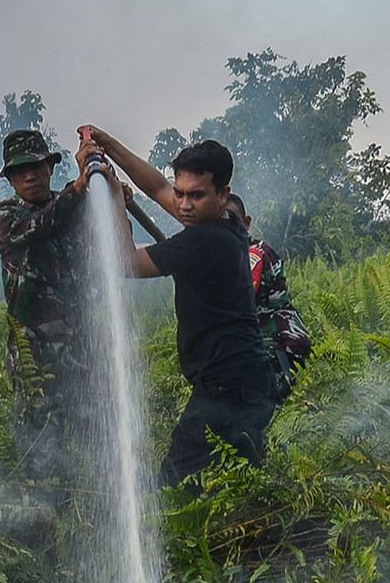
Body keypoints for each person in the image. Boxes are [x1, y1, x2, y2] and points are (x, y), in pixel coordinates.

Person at [81, 129, 277, 489]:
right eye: (181, 193)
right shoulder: (228, 223)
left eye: (196, 196)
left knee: (174, 489)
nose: (184, 205)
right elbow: (157, 188)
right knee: (242, 488)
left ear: (223, 194)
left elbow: (124, 264)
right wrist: (111, 147)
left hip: (225, 389)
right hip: (247, 382)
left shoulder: (205, 239)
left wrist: (113, 198)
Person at [0, 129, 99, 480]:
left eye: (37, 166)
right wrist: (80, 188)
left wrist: (109, 195)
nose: (30, 175)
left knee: (93, 446)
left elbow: (109, 236)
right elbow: (44, 223)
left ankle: (90, 513)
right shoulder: (6, 216)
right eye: (20, 171)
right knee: (41, 455)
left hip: (81, 352)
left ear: (51, 167)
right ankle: (44, 524)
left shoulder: (75, 204)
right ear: (10, 178)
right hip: (34, 361)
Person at [226, 193, 311, 400]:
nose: (225, 227)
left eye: (231, 220)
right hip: (258, 352)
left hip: (277, 350)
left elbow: (237, 297)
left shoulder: (255, 253)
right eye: (218, 222)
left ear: (246, 223)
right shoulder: (228, 255)